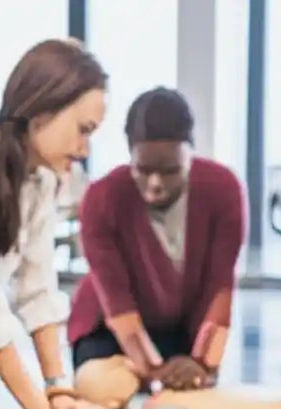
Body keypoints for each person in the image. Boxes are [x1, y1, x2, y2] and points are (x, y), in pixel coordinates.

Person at [0, 38, 129, 409]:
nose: (84, 148)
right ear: (42, 110)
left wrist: (59, 391)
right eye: (83, 130)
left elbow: (38, 294)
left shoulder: (42, 181)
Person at [67, 87, 247, 391]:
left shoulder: (222, 190)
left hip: (180, 330)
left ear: (190, 155)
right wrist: (152, 371)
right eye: (143, 170)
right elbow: (116, 301)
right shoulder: (102, 199)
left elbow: (219, 287)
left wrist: (204, 363)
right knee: (108, 394)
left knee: (189, 403)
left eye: (170, 171)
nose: (155, 185)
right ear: (130, 157)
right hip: (109, 332)